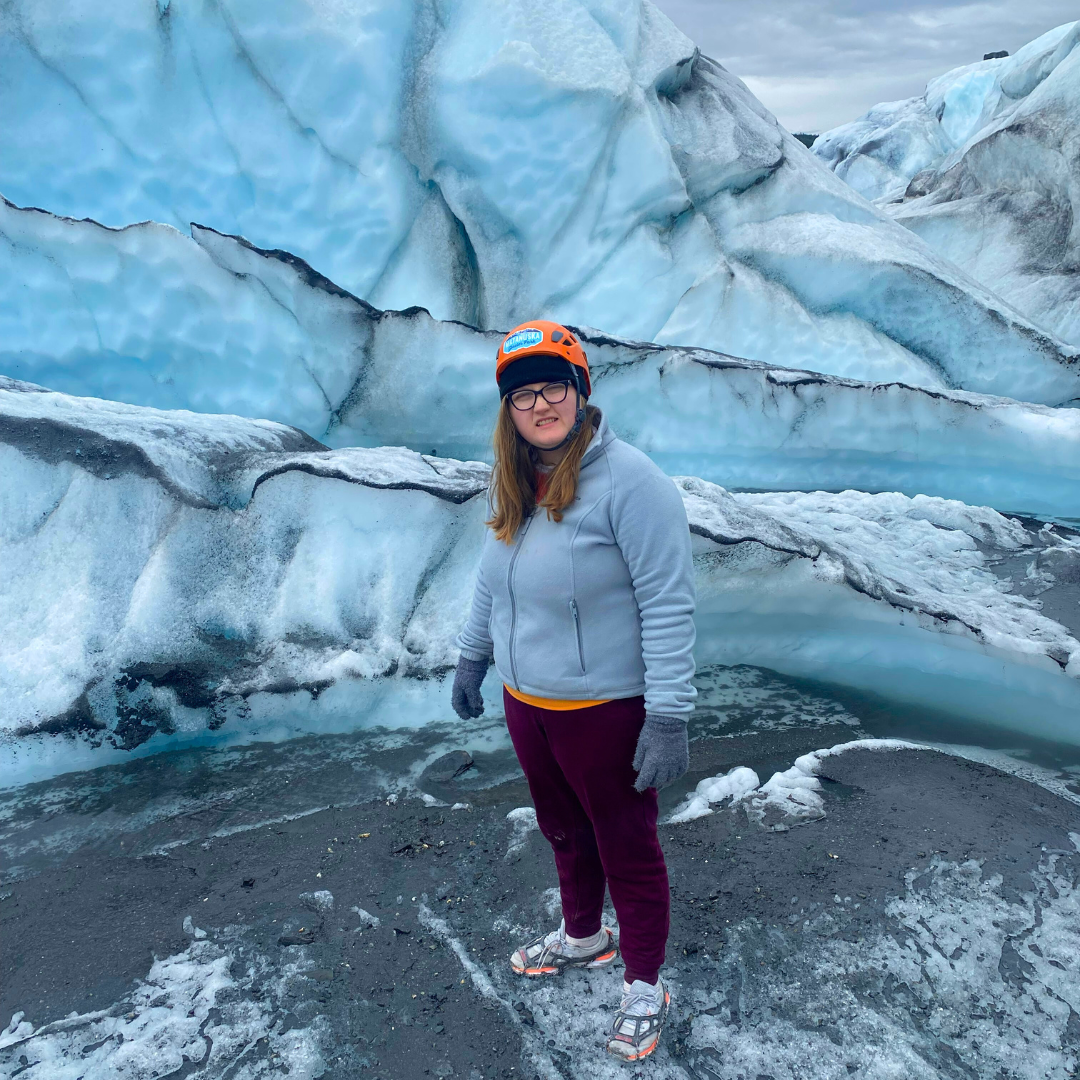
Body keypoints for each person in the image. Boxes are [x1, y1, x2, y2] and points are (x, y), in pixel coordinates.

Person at [450, 320, 697, 1062]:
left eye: (553, 384)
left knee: (627, 842)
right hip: (530, 703)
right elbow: (494, 582)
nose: (539, 404)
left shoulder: (633, 483)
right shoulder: (516, 481)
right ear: (508, 410)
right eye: (522, 394)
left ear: (581, 388)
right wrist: (473, 659)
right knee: (563, 829)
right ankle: (585, 935)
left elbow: (668, 602)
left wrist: (669, 716)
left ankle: (645, 983)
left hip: (607, 711)